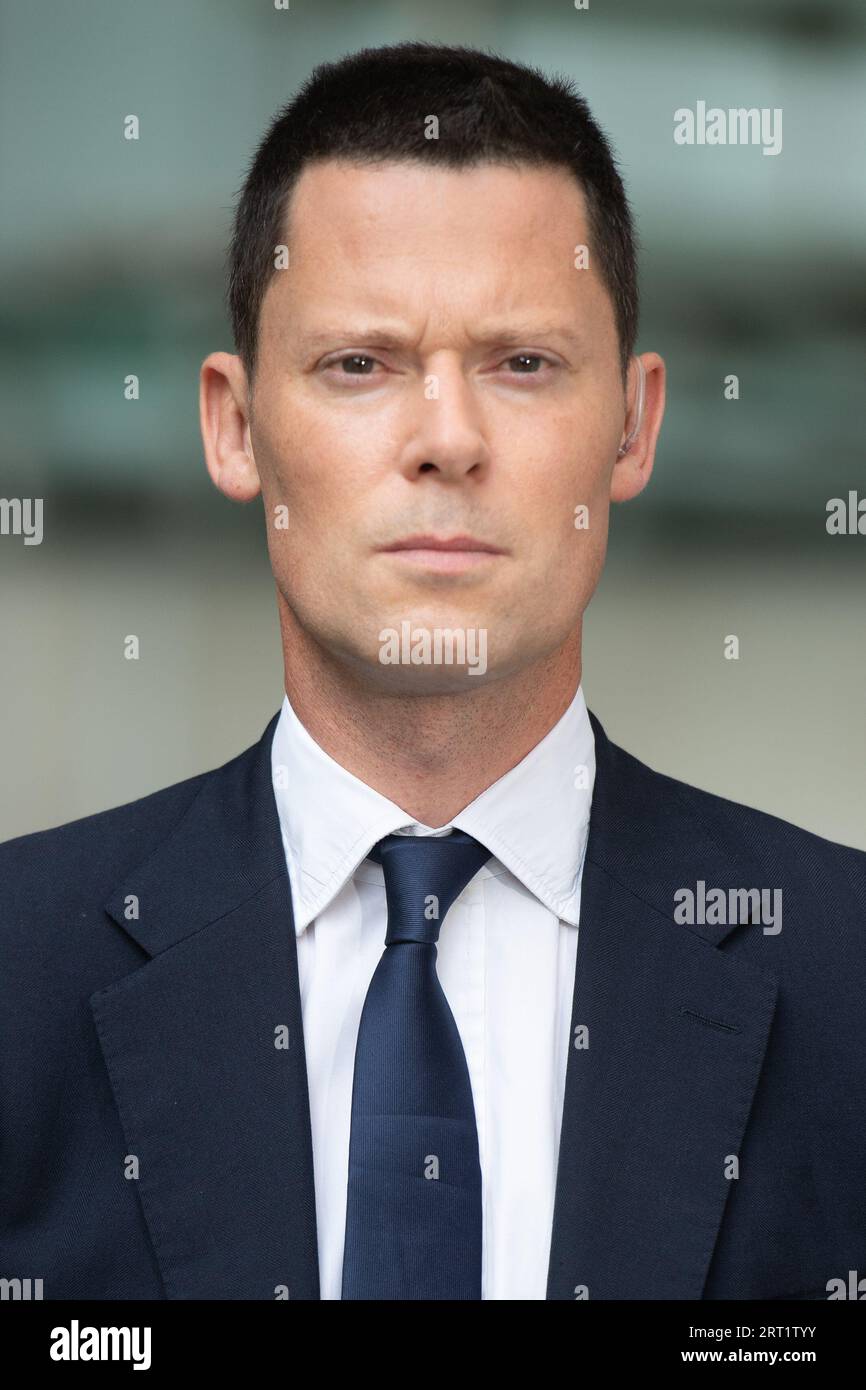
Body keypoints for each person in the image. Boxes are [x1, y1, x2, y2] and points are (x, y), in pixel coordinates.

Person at [1, 42, 863, 1302]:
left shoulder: (841, 974)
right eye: (360, 363)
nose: (447, 440)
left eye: (522, 363)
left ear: (632, 425)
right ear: (234, 426)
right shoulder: (18, 969)